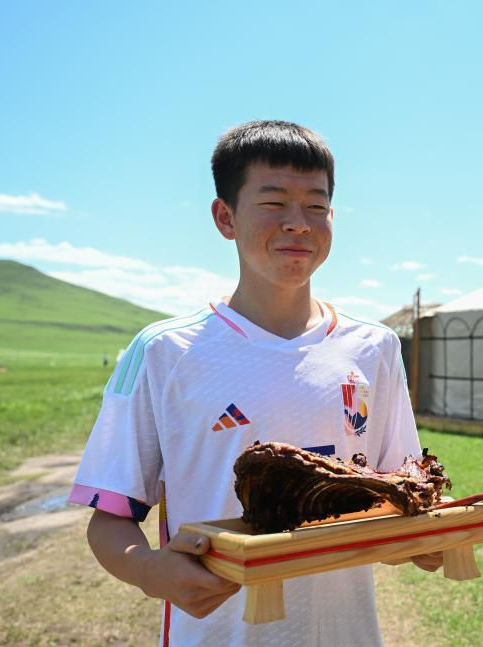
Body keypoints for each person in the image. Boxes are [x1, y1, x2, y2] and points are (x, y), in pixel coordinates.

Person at [68, 120, 441, 646]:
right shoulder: (163, 351)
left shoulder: (375, 347)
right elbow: (109, 522)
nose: (299, 224)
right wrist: (152, 572)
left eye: (316, 205)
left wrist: (425, 541)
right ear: (225, 217)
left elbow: (397, 500)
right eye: (274, 203)